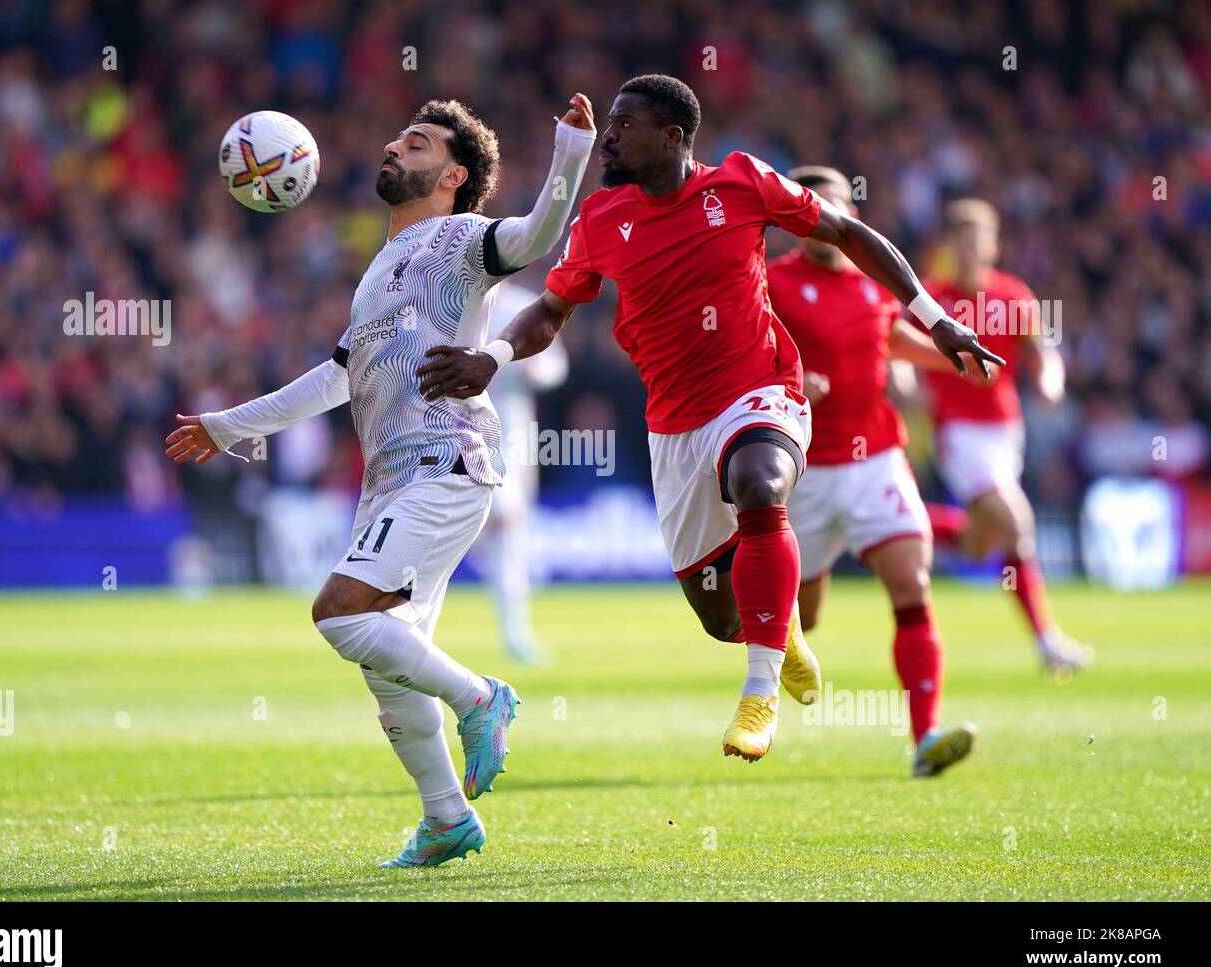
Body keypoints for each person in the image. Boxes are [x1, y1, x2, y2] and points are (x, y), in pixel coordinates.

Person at [415, 75, 1001, 764]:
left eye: (624, 124)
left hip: (760, 386)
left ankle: (759, 694)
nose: (609, 135)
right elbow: (550, 311)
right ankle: (780, 632)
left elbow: (850, 232)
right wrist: (495, 355)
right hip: (674, 422)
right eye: (609, 122)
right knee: (718, 611)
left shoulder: (744, 184)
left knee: (759, 483)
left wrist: (935, 319)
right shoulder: (602, 220)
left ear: (671, 136)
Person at [164, 95, 596, 866]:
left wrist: (570, 148)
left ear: (454, 175)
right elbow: (331, 382)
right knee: (385, 660)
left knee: (338, 612)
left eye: (417, 144)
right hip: (390, 481)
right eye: (398, 138)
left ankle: (480, 697)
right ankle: (446, 818)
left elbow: (540, 234)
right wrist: (227, 425)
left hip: (446, 461)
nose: (396, 147)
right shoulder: (376, 275)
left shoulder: (464, 240)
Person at [767, 166, 978, 777]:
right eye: (809, 211)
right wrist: (787, 377)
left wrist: (948, 355)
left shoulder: (876, 280)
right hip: (801, 469)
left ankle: (925, 737)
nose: (823, 222)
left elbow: (890, 338)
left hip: (876, 458)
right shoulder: (770, 281)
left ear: (849, 217)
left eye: (832, 210)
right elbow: (738, 347)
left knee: (912, 586)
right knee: (802, 620)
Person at [918, 199, 1094, 674]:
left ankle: (894, 520)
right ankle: (1047, 641)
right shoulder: (932, 298)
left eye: (980, 238)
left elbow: (1043, 348)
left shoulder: (1013, 293)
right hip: (958, 434)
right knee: (1017, 523)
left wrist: (1051, 379)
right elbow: (898, 348)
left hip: (1005, 432)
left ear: (994, 244)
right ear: (950, 246)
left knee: (979, 542)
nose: (973, 247)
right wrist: (906, 383)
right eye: (963, 239)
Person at [476, 278, 569, 664]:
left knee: (510, 532)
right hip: (467, 430)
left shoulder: (522, 304)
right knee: (501, 518)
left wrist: (534, 371)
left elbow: (555, 365)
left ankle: (516, 633)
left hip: (514, 438)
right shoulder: (457, 301)